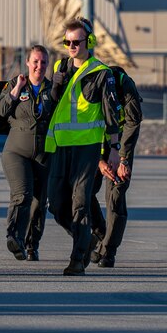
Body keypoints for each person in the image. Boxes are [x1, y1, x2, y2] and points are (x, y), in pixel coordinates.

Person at [45, 18, 122, 276]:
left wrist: (113, 148)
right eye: (67, 42)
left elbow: (112, 113)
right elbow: (53, 105)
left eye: (76, 42)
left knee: (80, 203)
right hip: (61, 147)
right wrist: (56, 83)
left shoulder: (101, 73)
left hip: (87, 148)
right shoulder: (60, 67)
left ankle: (77, 259)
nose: (71, 46)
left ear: (89, 42)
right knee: (56, 205)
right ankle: (86, 238)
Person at [0, 45, 55, 261]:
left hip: (44, 153)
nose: (39, 66)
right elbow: (1, 110)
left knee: (40, 202)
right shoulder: (16, 84)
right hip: (16, 151)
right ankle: (14, 237)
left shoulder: (52, 89)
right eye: (36, 61)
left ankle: (32, 244)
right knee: (22, 195)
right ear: (28, 63)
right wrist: (16, 89)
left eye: (43, 62)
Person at [89, 63, 143, 268]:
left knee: (116, 197)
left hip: (120, 146)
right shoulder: (89, 84)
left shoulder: (124, 84)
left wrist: (123, 159)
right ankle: (101, 233)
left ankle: (108, 251)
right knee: (83, 193)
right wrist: (98, 160)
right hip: (94, 144)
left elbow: (133, 122)